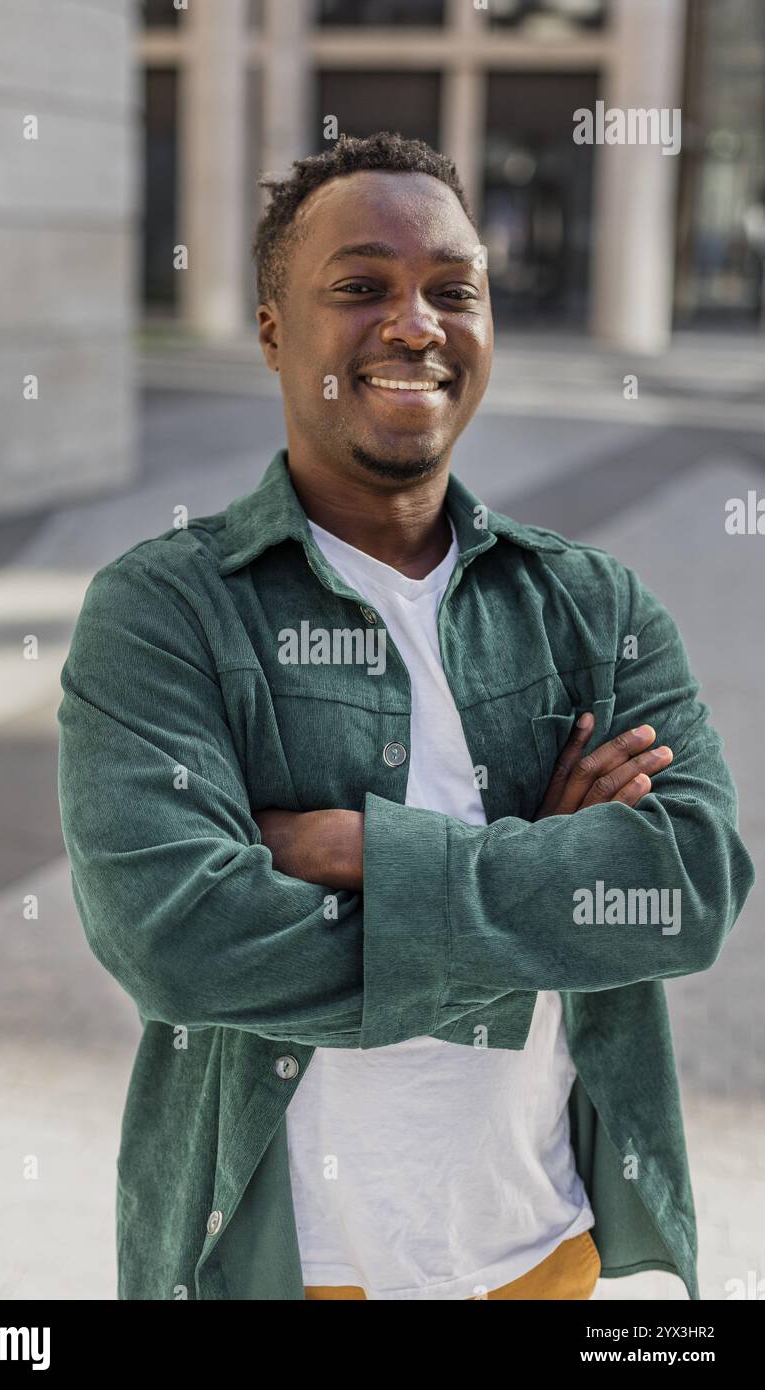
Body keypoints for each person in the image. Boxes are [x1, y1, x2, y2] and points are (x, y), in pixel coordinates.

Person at [56, 132, 754, 1301]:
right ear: (275, 330)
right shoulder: (165, 612)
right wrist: (543, 877)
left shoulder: (590, 607)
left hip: (542, 1258)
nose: (414, 324)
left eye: (451, 289)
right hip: (282, 1268)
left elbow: (684, 891)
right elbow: (178, 942)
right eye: (359, 287)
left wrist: (356, 850)